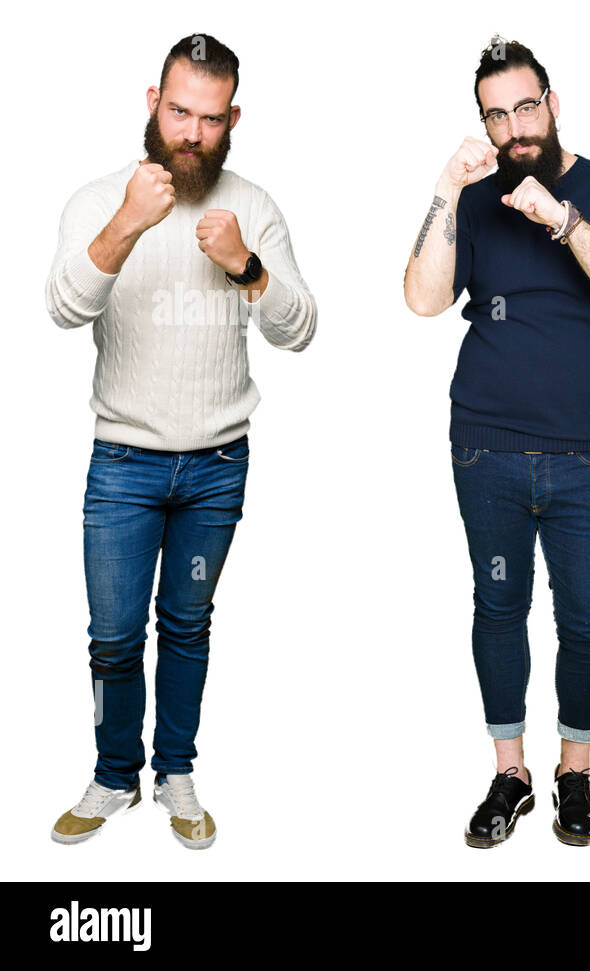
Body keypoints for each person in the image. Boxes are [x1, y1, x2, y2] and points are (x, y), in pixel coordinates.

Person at [46, 33, 317, 849]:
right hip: (123, 463)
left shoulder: (254, 204)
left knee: (188, 625)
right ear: (152, 104)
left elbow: (300, 329)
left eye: (208, 117)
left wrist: (248, 268)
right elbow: (63, 307)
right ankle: (111, 773)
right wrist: (128, 223)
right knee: (114, 634)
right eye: (177, 112)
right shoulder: (102, 197)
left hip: (217, 464)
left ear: (232, 117)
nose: (190, 133)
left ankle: (175, 771)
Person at [403, 36, 590, 848]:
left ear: (552, 105)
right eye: (495, 114)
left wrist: (563, 221)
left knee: (588, 620)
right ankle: (510, 771)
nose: (514, 126)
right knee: (498, 605)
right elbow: (422, 298)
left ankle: (574, 770)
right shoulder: (477, 197)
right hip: (482, 445)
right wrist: (447, 189)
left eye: (525, 106)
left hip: (583, 454)